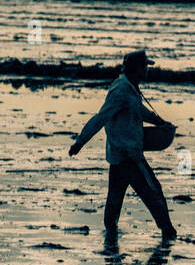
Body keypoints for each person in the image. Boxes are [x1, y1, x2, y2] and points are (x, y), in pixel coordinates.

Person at [68, 49, 177, 242]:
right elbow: (101, 117)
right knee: (153, 192)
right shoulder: (121, 90)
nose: (147, 70)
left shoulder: (129, 87)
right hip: (129, 155)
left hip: (119, 154)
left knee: (115, 199)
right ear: (137, 68)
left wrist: (159, 122)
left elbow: (139, 111)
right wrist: (80, 141)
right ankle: (168, 231)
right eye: (145, 66)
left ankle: (110, 233)